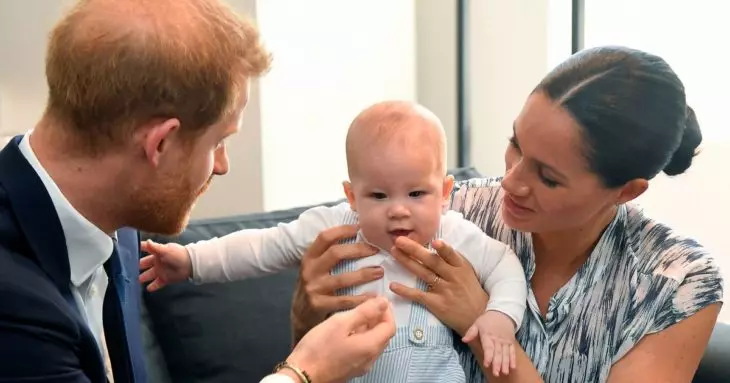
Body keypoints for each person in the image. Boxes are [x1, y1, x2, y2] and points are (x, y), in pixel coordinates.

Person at [0, 0, 394, 382]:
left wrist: (305, 335)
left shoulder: (116, 219)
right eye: (218, 142)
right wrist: (304, 374)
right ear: (160, 144)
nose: (222, 166)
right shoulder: (15, 304)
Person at [289, 46, 725, 383]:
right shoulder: (448, 210)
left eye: (548, 177)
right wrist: (307, 315)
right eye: (515, 144)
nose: (511, 182)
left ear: (626, 192)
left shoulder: (677, 283)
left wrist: (483, 323)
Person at [139, 100, 528, 381]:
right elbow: (262, 247)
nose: (398, 210)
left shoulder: (453, 232)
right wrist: (190, 261)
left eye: (416, 194)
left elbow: (505, 266)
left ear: (444, 193)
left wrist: (498, 317)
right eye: (378, 196)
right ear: (352, 195)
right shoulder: (333, 227)